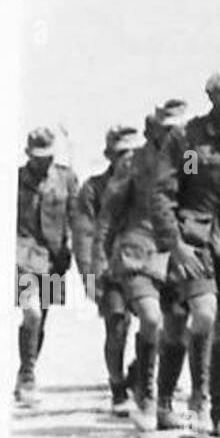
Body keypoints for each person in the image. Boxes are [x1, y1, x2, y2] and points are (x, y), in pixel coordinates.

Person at [150, 71, 220, 438]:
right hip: (193, 239)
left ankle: (218, 410)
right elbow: (167, 192)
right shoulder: (189, 140)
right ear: (211, 97)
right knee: (200, 314)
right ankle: (180, 398)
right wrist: (175, 244)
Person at [97, 101, 190, 432]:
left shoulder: (188, 159)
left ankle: (161, 398)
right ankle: (124, 388)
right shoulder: (130, 166)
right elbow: (95, 221)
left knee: (175, 323)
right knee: (120, 320)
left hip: (173, 253)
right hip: (131, 254)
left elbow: (198, 197)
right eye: (167, 129)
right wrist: (92, 270)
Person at [73, 125, 142, 415]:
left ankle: (138, 374)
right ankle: (27, 370)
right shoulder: (91, 187)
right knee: (36, 314)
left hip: (138, 266)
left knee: (159, 324)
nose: (126, 159)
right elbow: (83, 234)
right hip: (33, 263)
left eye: (131, 153)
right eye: (120, 154)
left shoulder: (146, 185)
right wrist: (89, 276)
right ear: (108, 156)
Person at [14, 127, 79, 407]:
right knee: (32, 314)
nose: (44, 162)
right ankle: (28, 376)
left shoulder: (66, 178)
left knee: (42, 315)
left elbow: (78, 218)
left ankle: (25, 370)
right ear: (29, 154)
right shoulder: (15, 179)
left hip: (54, 260)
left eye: (48, 156)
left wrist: (80, 256)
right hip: (24, 256)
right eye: (39, 157)